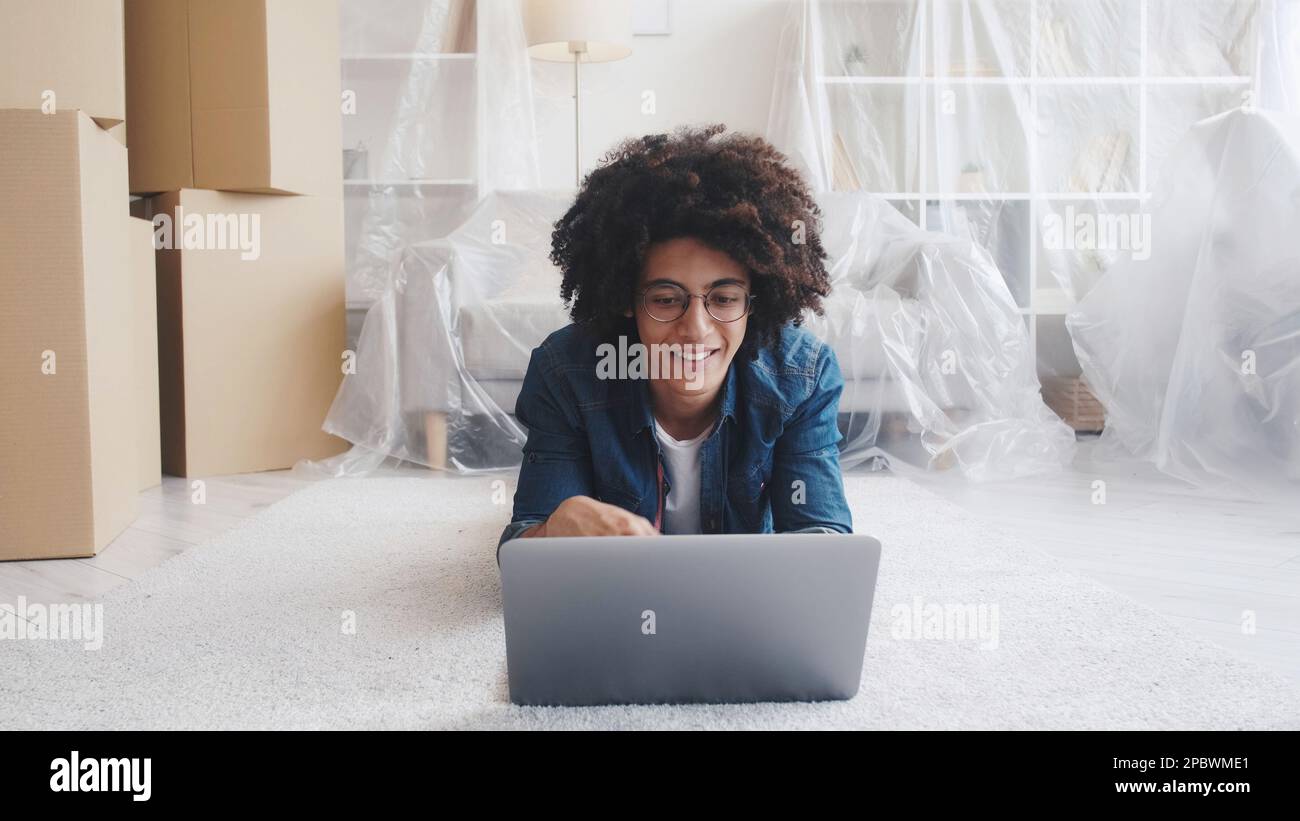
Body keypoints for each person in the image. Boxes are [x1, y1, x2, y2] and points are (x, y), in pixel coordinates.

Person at [497, 123, 852, 560]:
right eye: (666, 299)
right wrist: (556, 529)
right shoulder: (566, 371)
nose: (696, 329)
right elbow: (521, 555)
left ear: (756, 301)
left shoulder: (802, 376)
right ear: (625, 297)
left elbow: (824, 542)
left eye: (724, 298)